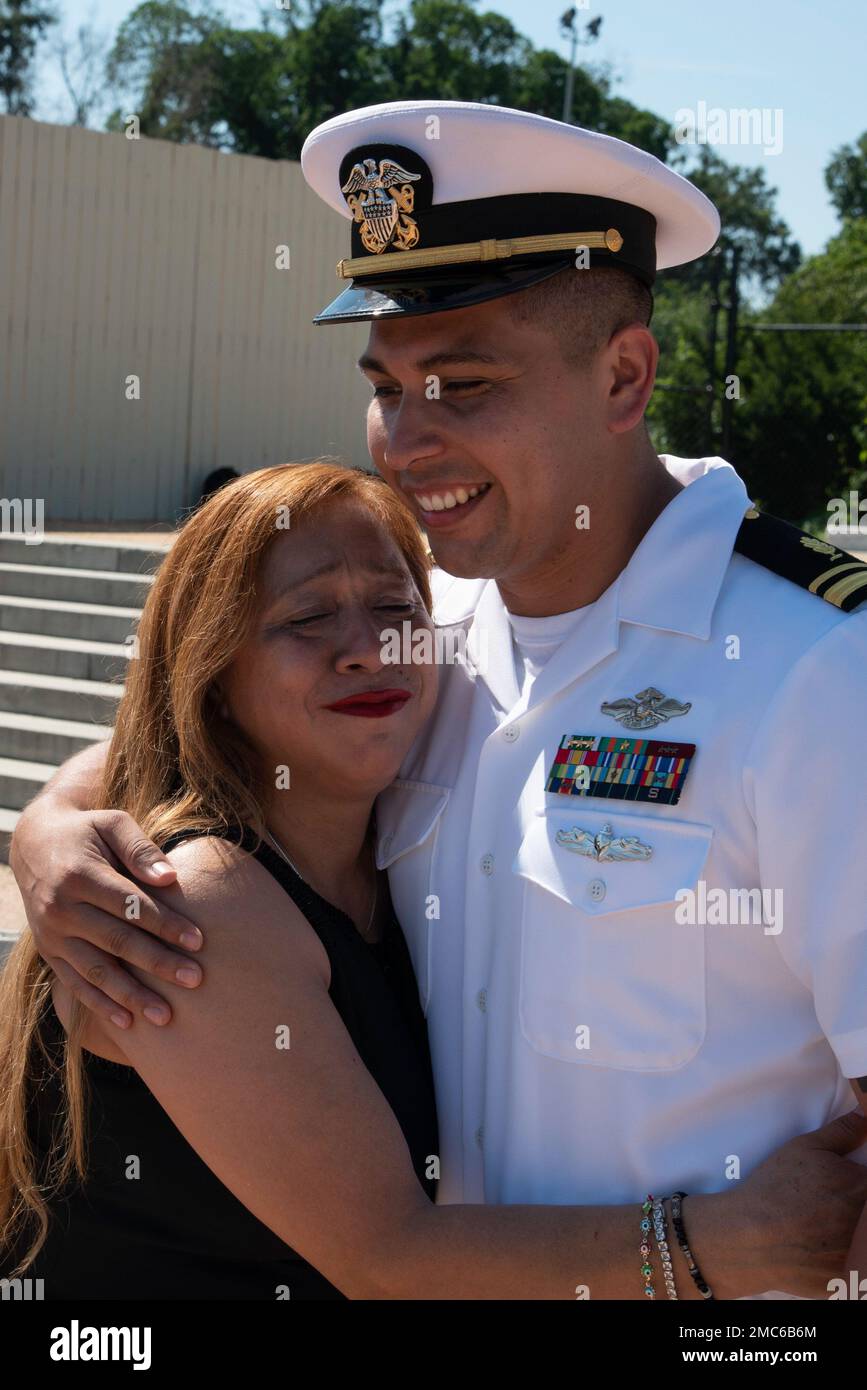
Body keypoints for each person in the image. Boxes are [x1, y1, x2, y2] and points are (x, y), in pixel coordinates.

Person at [9, 101, 867, 1300]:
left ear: (624, 376)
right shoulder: (425, 628)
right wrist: (49, 833)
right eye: (388, 386)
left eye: (463, 383)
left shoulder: (819, 666)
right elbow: (199, 735)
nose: (407, 441)